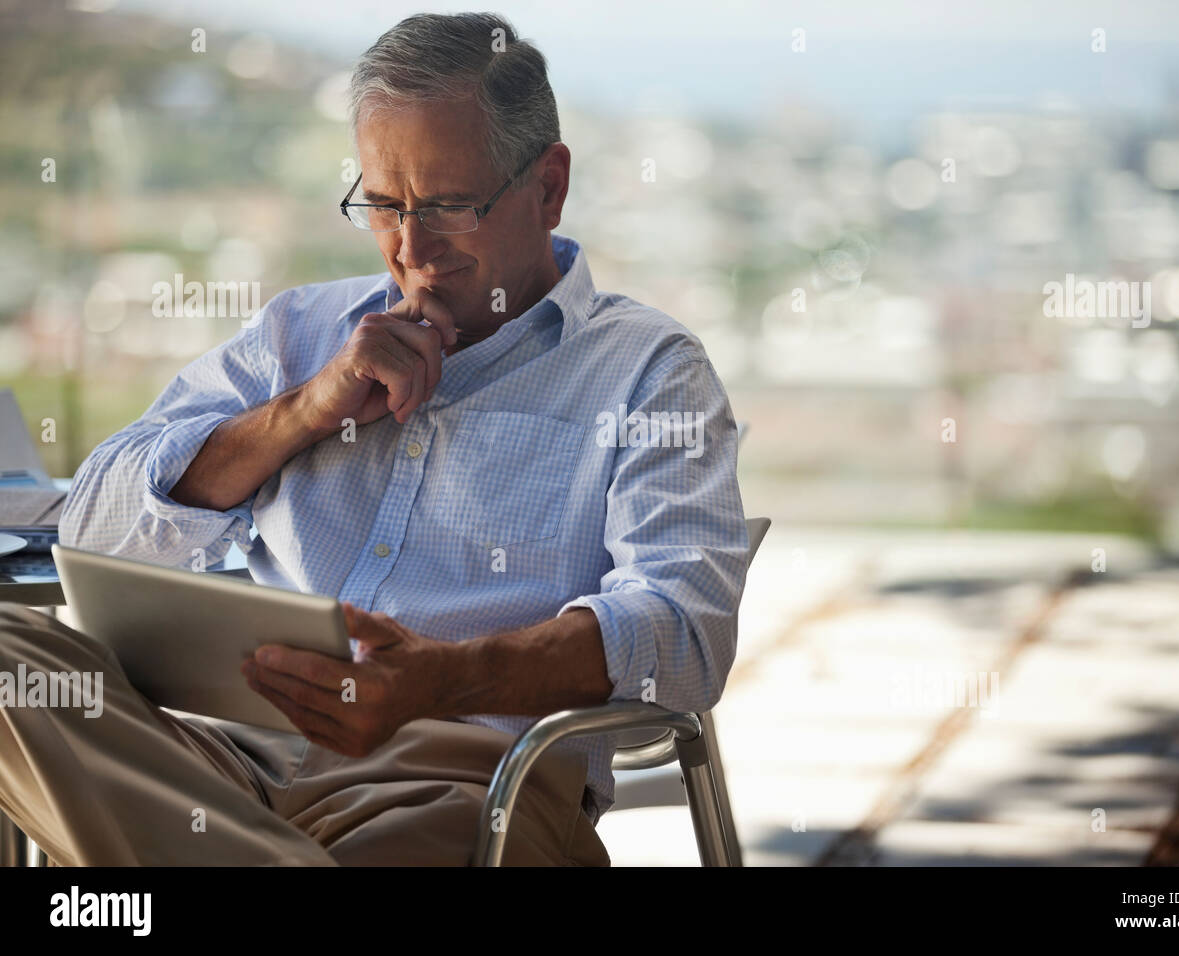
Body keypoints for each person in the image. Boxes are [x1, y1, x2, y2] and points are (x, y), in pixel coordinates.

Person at [0, 11, 748, 866]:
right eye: (385, 206)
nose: (412, 248)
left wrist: (442, 678)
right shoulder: (301, 335)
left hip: (462, 784)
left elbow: (683, 632)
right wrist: (302, 413)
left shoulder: (648, 371)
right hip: (214, 764)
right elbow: (93, 522)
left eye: (449, 206)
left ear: (549, 187)